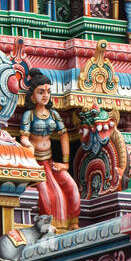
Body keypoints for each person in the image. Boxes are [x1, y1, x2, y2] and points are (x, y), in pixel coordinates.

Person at [19, 71, 80, 225]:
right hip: (36, 163)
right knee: (50, 194)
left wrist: (65, 163)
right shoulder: (29, 115)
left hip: (51, 161)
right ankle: (51, 226)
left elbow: (64, 135)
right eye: (41, 92)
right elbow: (24, 138)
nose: (45, 95)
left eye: (48, 92)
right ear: (32, 96)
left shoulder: (53, 114)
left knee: (72, 187)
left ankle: (73, 223)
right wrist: (29, 148)